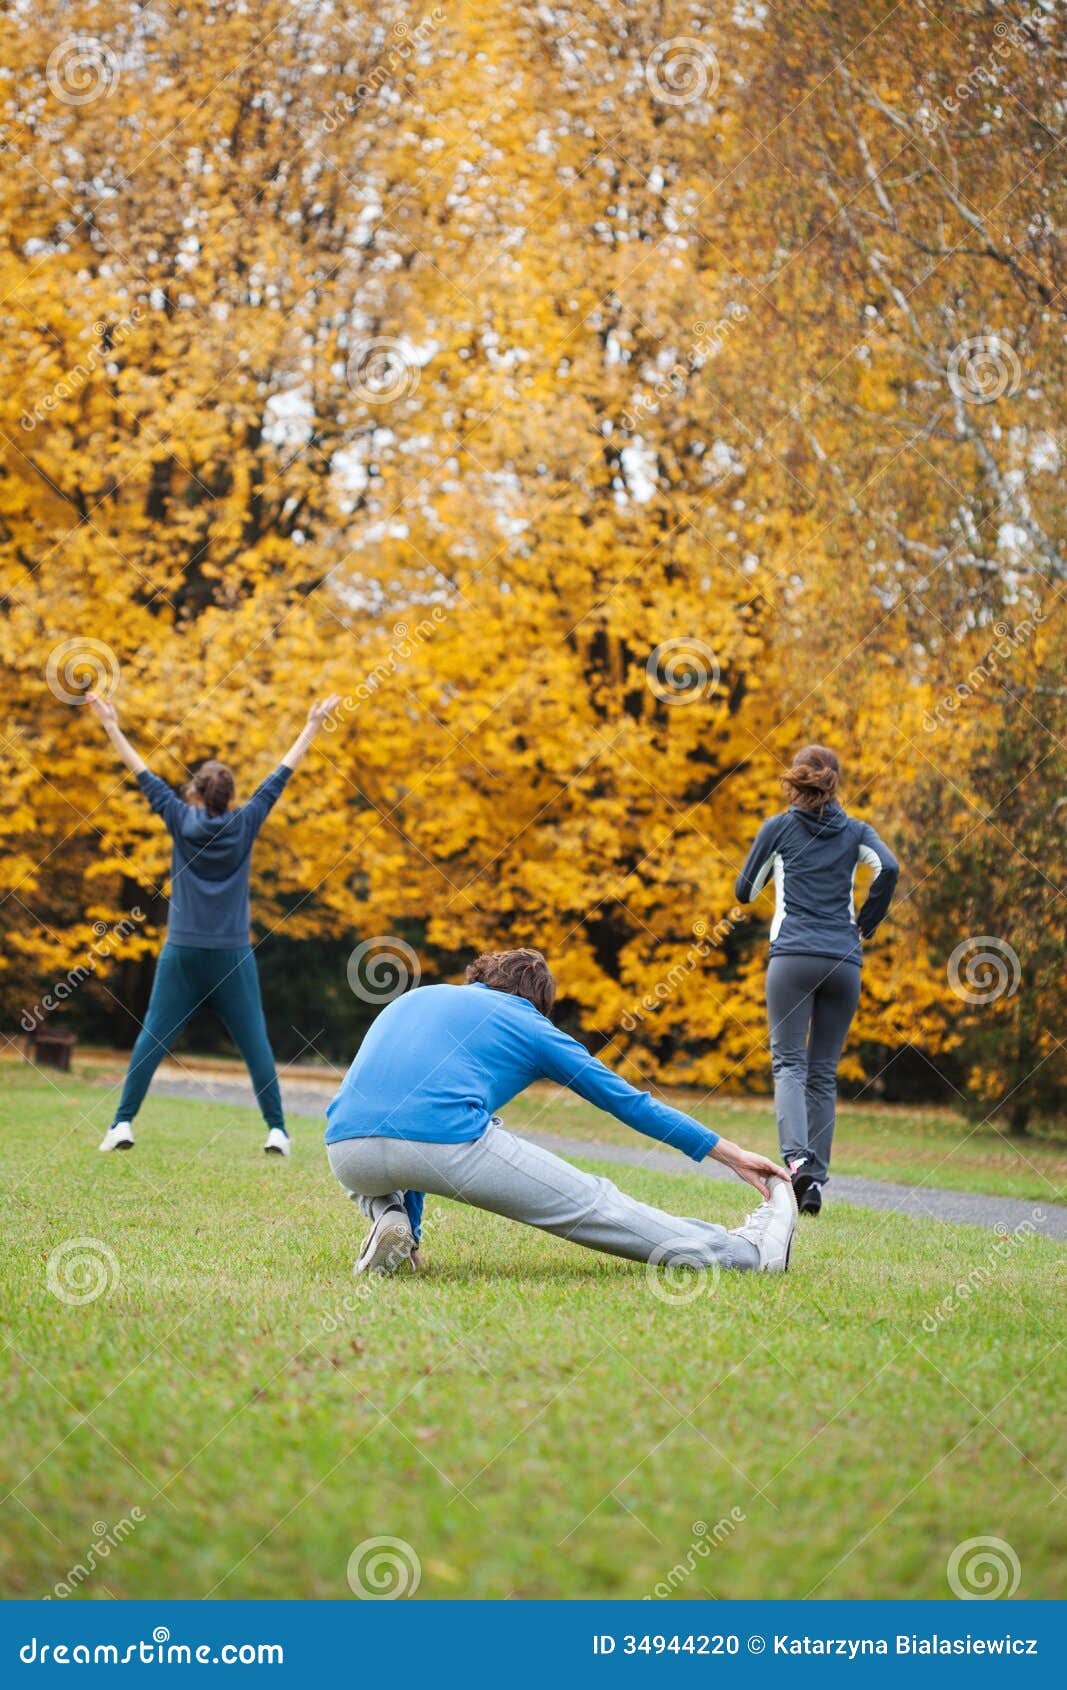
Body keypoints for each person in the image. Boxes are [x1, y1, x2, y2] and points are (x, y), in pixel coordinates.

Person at [325, 948, 797, 1277]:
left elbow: (396, 1101)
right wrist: (731, 1154)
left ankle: (389, 1217)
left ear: (480, 980)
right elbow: (630, 1103)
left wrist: (416, 1232)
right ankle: (750, 1253)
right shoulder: (530, 1024)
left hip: (346, 1152)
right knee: (598, 1205)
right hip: (444, 1140)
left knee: (397, 1138)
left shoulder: (418, 996)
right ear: (539, 1005)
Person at [87, 690, 340, 1155]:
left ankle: (121, 1124)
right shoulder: (245, 822)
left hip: (182, 949)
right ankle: (278, 1131)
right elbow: (281, 775)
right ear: (229, 797)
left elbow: (140, 770)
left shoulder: (178, 816)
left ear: (198, 793)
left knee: (152, 1036)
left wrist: (110, 724)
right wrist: (312, 725)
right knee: (255, 1043)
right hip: (230, 954)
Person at [735, 745, 899, 1215]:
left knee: (789, 1064)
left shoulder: (779, 828)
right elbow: (888, 867)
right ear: (836, 782)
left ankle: (798, 1163)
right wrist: (869, 917)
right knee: (823, 1071)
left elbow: (744, 892)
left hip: (792, 958)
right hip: (844, 961)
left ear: (798, 780)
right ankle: (816, 1182)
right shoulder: (856, 831)